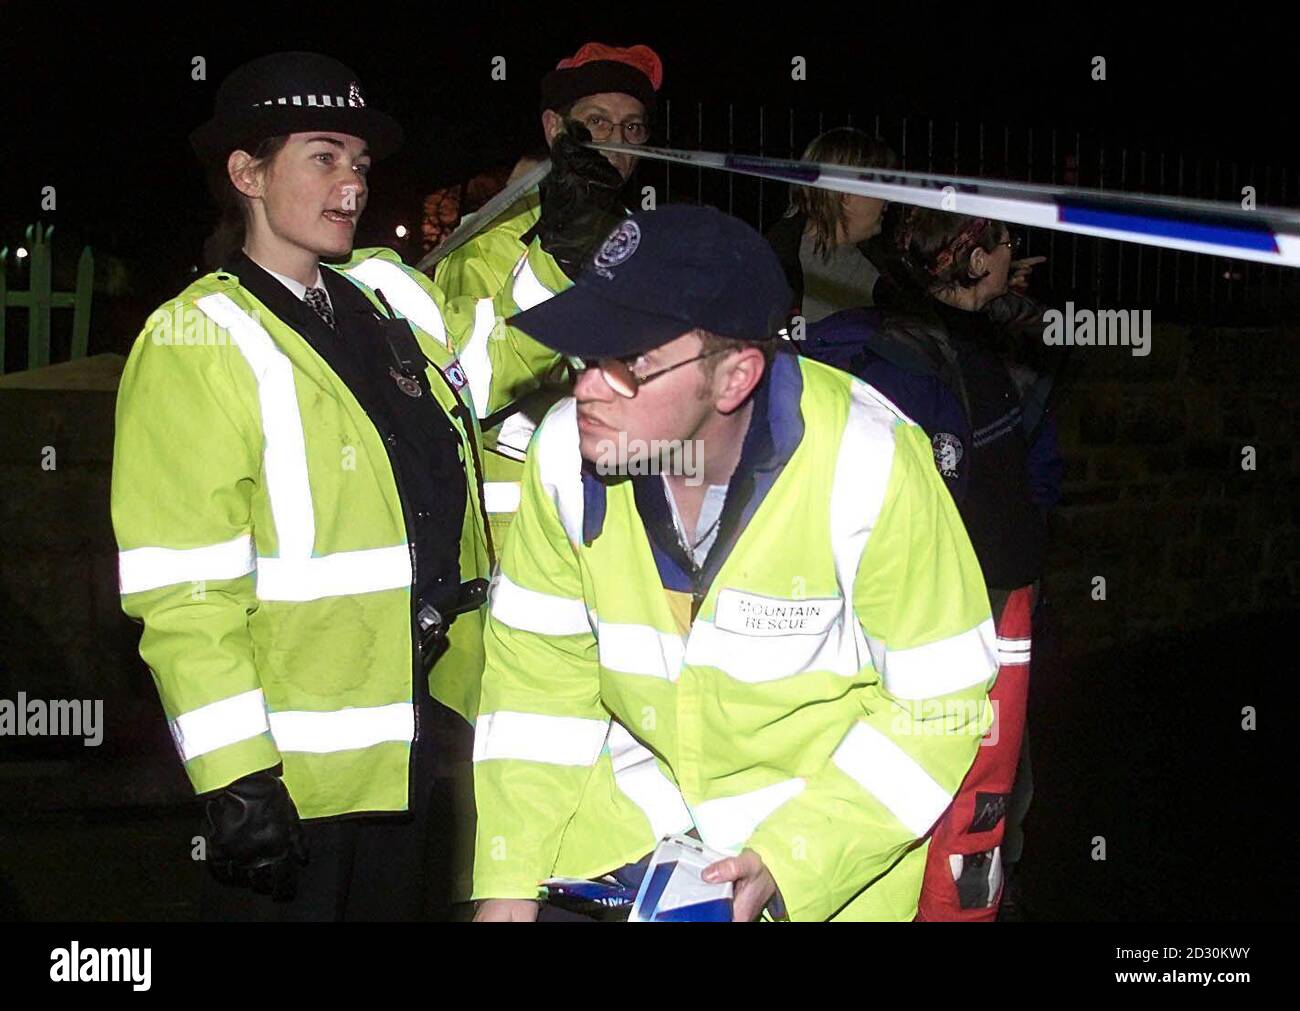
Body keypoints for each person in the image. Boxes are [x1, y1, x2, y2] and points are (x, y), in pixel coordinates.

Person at [111, 51, 552, 921]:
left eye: (359, 161)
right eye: (322, 156)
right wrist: (237, 773)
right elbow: (183, 588)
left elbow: (495, 363)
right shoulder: (199, 338)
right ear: (247, 173)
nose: (351, 182)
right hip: (298, 777)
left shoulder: (387, 301)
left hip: (422, 743)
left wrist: (573, 252)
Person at [469, 205, 999, 922]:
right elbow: (537, 680)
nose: (588, 388)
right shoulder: (567, 453)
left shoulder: (869, 461)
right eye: (586, 356)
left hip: (822, 868)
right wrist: (510, 872)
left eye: (627, 365)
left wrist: (796, 854)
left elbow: (940, 705)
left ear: (735, 376)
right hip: (630, 843)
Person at [802, 208, 1063, 920]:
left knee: (985, 803)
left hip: (990, 606)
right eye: (1004, 243)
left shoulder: (988, 348)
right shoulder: (909, 362)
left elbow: (1030, 469)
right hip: (955, 624)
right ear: (968, 257)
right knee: (955, 802)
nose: (1016, 255)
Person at [434, 42, 663, 549]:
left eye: (632, 127)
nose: (617, 142)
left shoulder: (646, 242)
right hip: (517, 530)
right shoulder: (489, 245)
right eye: (598, 122)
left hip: (623, 526)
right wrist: (557, 265)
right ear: (555, 130)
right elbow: (463, 391)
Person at [765, 128, 899, 323]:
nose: (889, 200)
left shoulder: (887, 264)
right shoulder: (778, 265)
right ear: (845, 194)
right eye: (881, 188)